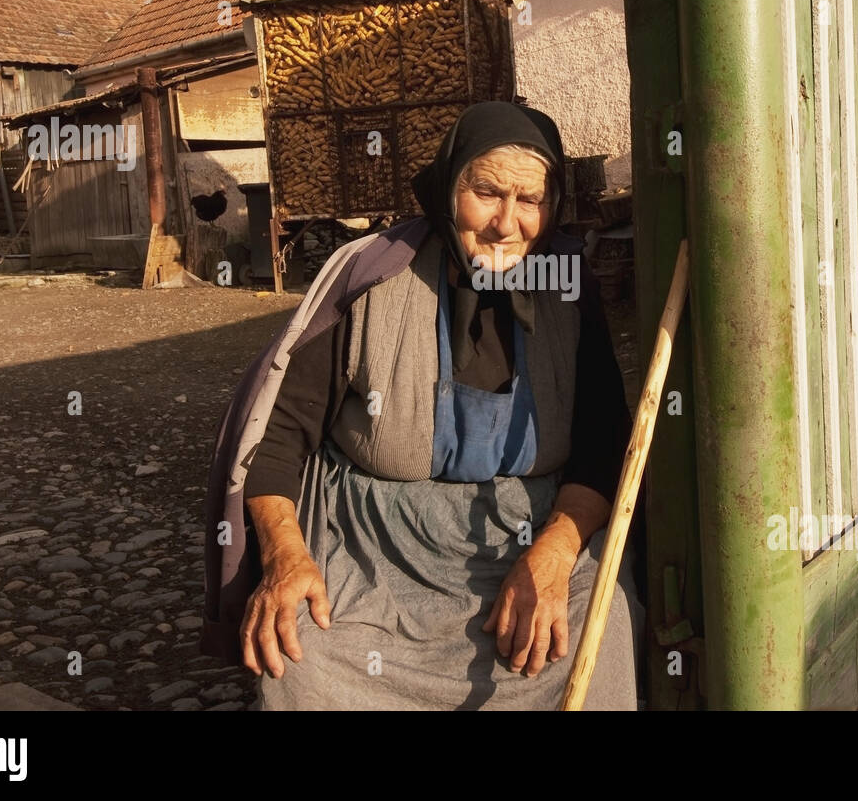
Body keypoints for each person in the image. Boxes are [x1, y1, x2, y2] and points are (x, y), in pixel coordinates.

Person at [201, 101, 643, 709]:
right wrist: (287, 556)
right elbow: (277, 435)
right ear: (447, 186)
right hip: (376, 554)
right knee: (306, 658)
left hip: (530, 537)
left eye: (530, 200)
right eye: (486, 192)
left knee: (598, 633)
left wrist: (556, 552)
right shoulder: (372, 278)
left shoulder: (569, 289)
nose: (506, 223)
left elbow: (602, 445)